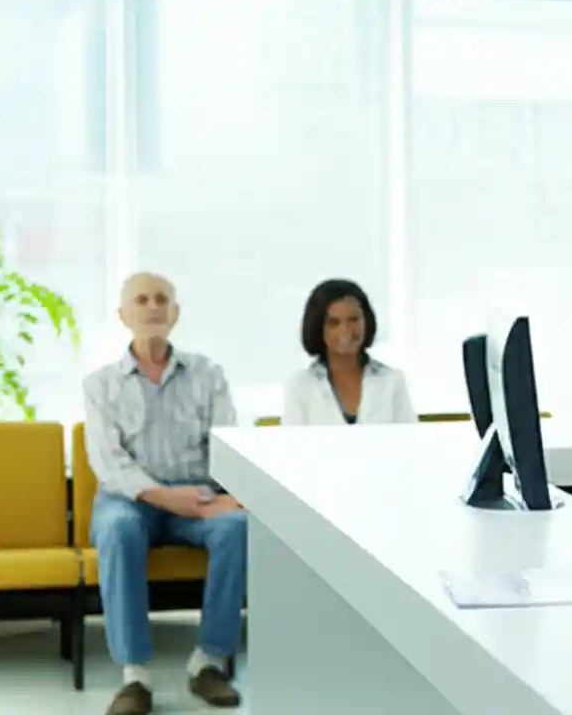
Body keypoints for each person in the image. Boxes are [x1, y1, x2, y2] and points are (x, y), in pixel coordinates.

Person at [83, 272, 245, 715]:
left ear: (175, 313)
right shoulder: (100, 384)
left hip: (196, 495)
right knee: (117, 531)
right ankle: (135, 677)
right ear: (123, 315)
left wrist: (227, 496)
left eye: (162, 299)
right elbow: (109, 464)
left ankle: (208, 661)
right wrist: (166, 497)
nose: (152, 306)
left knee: (236, 527)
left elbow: (228, 444)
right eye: (141, 299)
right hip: (129, 499)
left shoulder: (208, 374)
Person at [282, 278, 415, 426]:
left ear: (366, 321)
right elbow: (291, 446)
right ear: (318, 328)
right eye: (334, 323)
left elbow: (409, 442)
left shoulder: (392, 381)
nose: (345, 330)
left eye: (353, 319)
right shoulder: (301, 386)